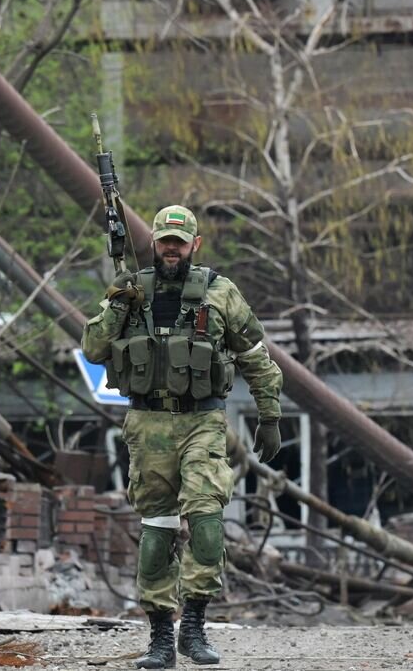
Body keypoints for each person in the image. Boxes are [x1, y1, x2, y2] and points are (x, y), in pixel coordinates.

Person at [82, 204, 284, 668]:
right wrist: (116, 303)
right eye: (164, 240)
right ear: (153, 242)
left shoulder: (220, 293)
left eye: (180, 241)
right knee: (156, 533)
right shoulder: (130, 292)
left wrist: (269, 415)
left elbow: (255, 354)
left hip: (202, 422)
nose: (171, 248)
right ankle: (159, 637)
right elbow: (93, 348)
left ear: (195, 244)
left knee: (207, 522)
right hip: (147, 424)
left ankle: (193, 626)